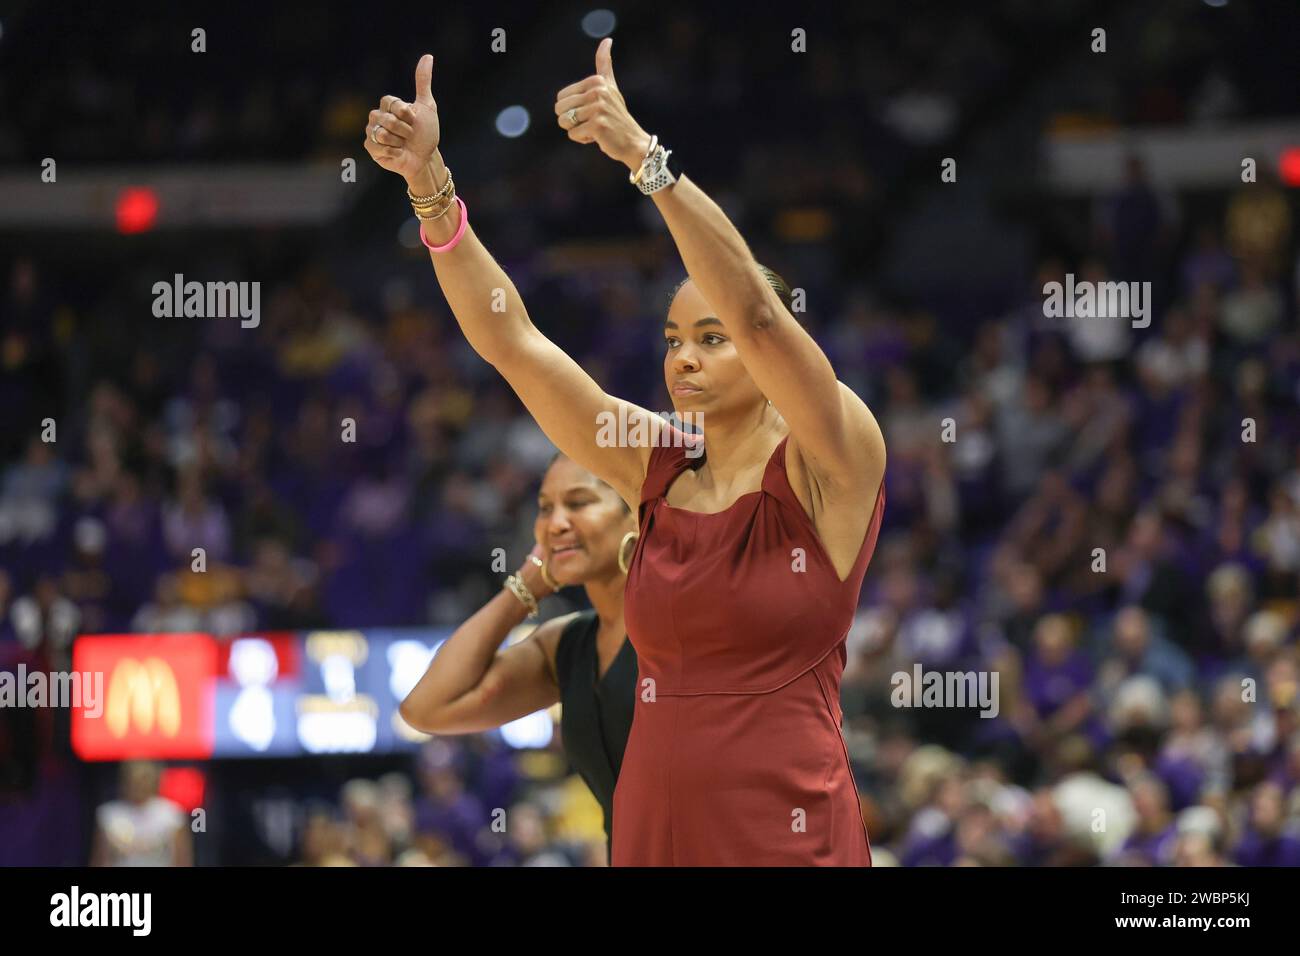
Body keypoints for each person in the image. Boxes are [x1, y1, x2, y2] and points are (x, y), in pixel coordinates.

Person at [366, 39, 886, 865]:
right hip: (651, 831)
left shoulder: (832, 459)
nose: (684, 359)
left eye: (709, 338)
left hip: (787, 832)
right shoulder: (654, 463)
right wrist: (430, 188)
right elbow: (514, 344)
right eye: (674, 339)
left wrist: (647, 160)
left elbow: (756, 315)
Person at [399, 454, 637, 858]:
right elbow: (425, 709)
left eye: (578, 502)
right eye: (545, 508)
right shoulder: (567, 645)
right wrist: (526, 586)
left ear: (636, 515)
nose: (555, 523)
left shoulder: (684, 625)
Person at [89, 760, 192, 867]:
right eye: (133, 779)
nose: (139, 784)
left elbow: (183, 861)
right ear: (124, 780)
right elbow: (99, 861)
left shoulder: (172, 814)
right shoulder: (109, 814)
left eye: (144, 778)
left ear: (155, 780)